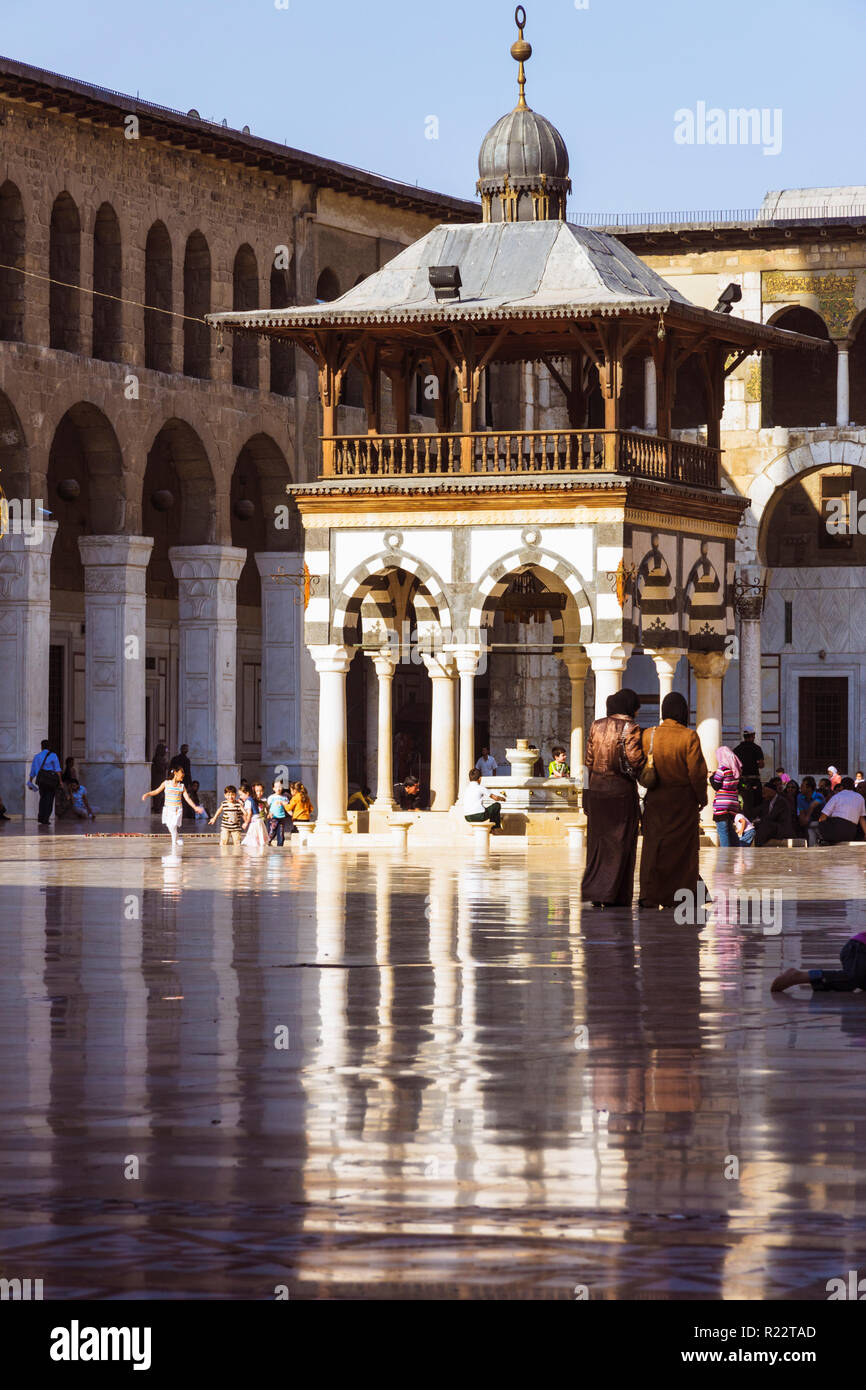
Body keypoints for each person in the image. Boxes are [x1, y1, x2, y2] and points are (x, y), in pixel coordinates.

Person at [638, 691, 707, 910]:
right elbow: (697, 773)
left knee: (653, 848)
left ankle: (649, 895)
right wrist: (701, 799)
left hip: (656, 801)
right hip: (682, 803)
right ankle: (680, 896)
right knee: (682, 852)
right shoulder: (689, 737)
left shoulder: (649, 734)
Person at [582, 688, 644, 908]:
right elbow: (635, 761)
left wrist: (585, 794)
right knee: (621, 844)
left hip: (597, 793)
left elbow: (587, 763)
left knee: (598, 844)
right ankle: (615, 894)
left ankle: (597, 892)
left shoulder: (596, 726)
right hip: (621, 793)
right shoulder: (631, 728)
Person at [142, 758, 204, 855]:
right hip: (168, 809)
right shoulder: (166, 783)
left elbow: (187, 799)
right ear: (175, 773)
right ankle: (177, 838)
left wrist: (195, 807)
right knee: (169, 825)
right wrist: (147, 794)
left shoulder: (181, 786)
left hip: (177, 809)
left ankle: (174, 843)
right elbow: (156, 791)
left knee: (173, 825)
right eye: (181, 774)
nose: (182, 776)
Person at [772, 931, 866, 994]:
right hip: (859, 947)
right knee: (851, 979)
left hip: (857, 950)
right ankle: (797, 976)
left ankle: (819, 987)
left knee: (850, 983)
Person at [816, 777, 866, 844]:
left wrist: (822, 827)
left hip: (836, 829)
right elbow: (861, 818)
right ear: (853, 786)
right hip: (851, 832)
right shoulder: (860, 798)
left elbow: (823, 816)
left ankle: (821, 842)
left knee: (818, 823)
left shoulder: (837, 796)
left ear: (841, 786)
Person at [709, 746, 742, 845]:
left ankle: (726, 853)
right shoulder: (736, 769)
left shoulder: (722, 769)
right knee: (730, 828)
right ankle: (737, 850)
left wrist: (711, 777)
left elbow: (716, 785)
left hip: (722, 803)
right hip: (733, 802)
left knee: (722, 830)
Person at [733, 726, 765, 818]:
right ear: (753, 736)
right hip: (754, 781)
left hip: (742, 782)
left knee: (744, 802)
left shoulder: (737, 749)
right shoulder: (756, 748)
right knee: (756, 801)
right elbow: (761, 765)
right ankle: (754, 821)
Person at [28, 739, 62, 825]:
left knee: (43, 798)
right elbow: (57, 770)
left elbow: (33, 771)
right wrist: (60, 781)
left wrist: (30, 781)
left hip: (41, 780)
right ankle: (46, 818)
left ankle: (41, 817)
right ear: (49, 747)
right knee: (49, 799)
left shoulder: (37, 756)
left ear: (41, 747)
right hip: (51, 781)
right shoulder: (53, 755)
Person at [753, 778, 796, 845]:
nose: (763, 794)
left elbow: (772, 816)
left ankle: (758, 846)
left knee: (766, 825)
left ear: (772, 791)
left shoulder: (782, 802)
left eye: (765, 791)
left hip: (782, 828)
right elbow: (757, 811)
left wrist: (760, 820)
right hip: (772, 828)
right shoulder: (766, 802)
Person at [242, 781, 268, 851]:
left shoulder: (263, 800)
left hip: (260, 821)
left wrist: (268, 813)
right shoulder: (252, 800)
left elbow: (266, 808)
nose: (259, 793)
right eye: (257, 791)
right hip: (255, 821)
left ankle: (258, 850)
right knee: (255, 837)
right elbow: (248, 813)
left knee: (259, 836)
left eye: (261, 791)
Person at [266, 779, 293, 846]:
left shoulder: (284, 798)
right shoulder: (271, 797)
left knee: (281, 834)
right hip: (273, 818)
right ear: (273, 788)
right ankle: (267, 843)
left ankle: (280, 846)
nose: (278, 789)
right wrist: (268, 813)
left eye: (280, 787)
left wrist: (292, 814)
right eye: (276, 787)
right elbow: (266, 806)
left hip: (282, 818)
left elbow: (287, 808)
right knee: (271, 832)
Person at [150, 743, 168, 813]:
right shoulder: (158, 759)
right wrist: (166, 765)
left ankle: (157, 807)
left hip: (159, 779)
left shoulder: (157, 758)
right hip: (158, 779)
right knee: (158, 794)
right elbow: (161, 769)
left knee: (159, 794)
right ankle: (157, 808)